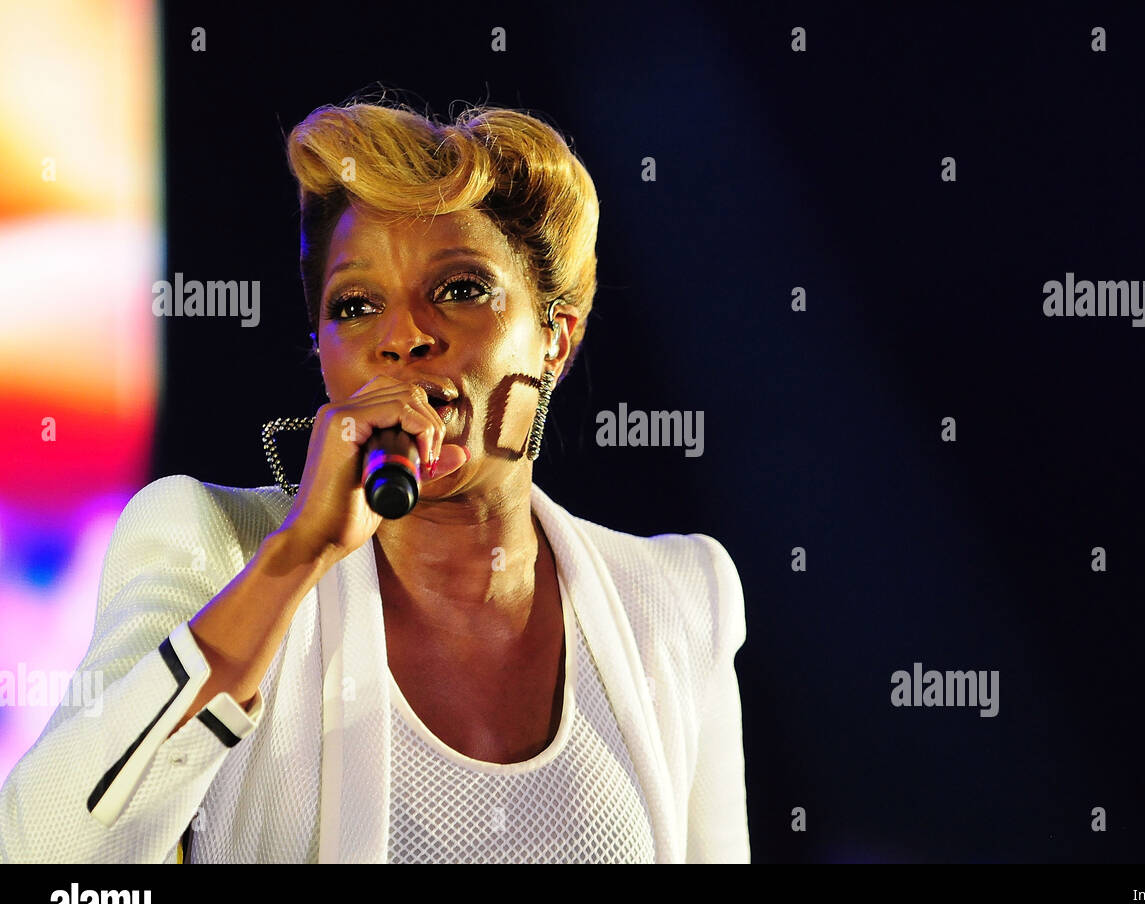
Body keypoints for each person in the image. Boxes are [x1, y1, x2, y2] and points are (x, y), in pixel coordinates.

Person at [0, 98, 750, 863]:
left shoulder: (680, 596)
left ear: (556, 336)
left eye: (460, 289)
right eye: (356, 306)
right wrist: (294, 559)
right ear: (322, 351)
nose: (403, 337)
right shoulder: (211, 546)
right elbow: (46, 860)